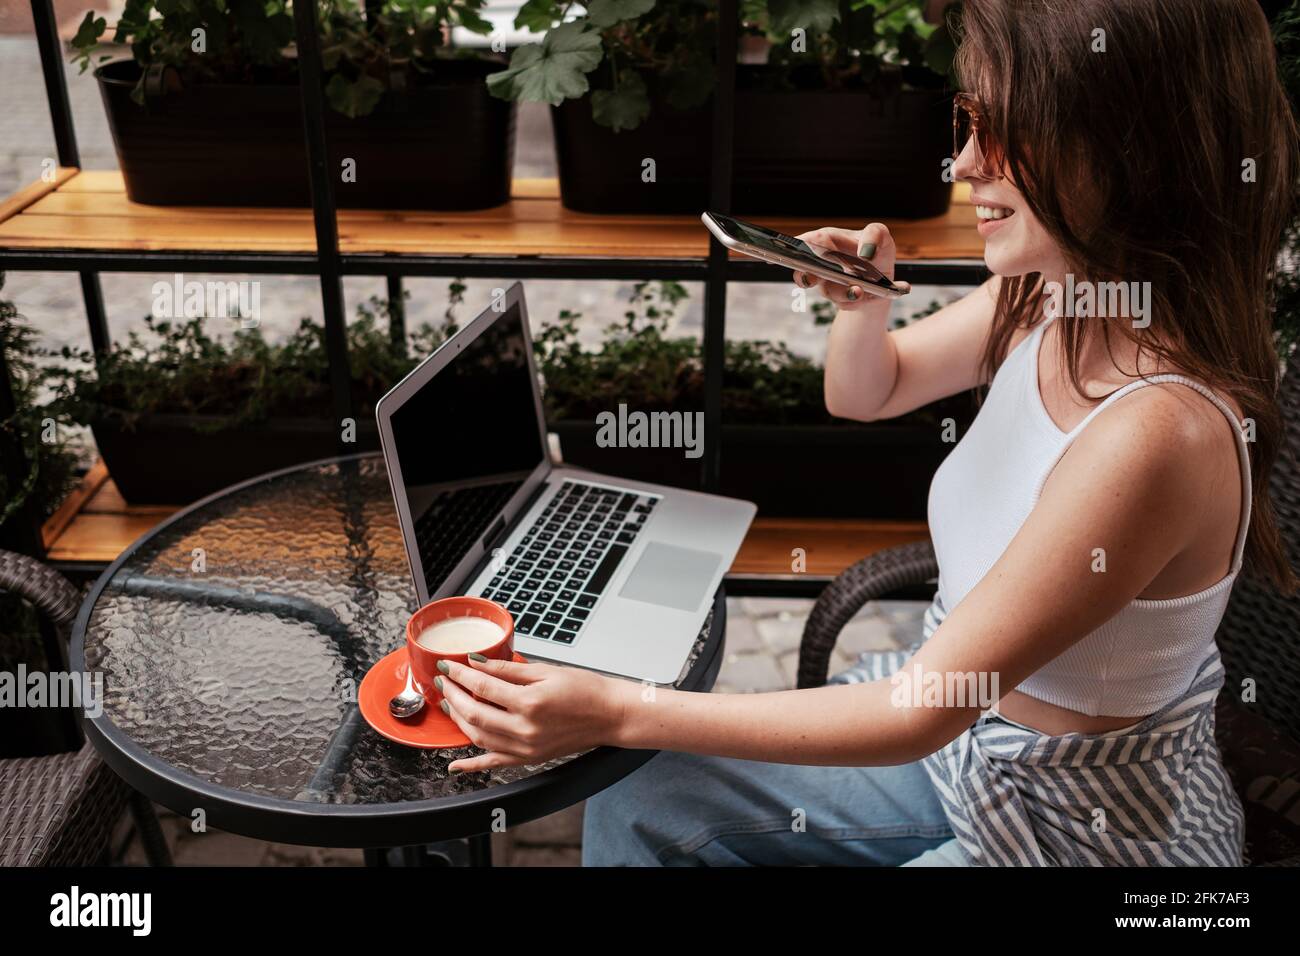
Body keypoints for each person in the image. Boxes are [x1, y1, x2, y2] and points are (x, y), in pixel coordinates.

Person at [435, 0, 1299, 865]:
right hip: (960, 752)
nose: (963, 162)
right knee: (645, 787)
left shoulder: (1156, 432)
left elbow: (920, 708)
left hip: (1074, 826)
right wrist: (867, 303)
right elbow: (868, 394)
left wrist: (618, 706)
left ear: (1130, 142)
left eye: (1004, 130)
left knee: (634, 744)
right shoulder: (1052, 294)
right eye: (968, 121)